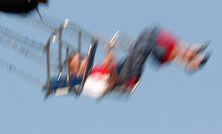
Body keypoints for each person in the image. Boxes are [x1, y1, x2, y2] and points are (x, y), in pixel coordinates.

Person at [76, 27, 209, 97]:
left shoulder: (93, 70)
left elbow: (109, 64)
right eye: (81, 60)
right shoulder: (87, 82)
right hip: (125, 76)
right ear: (76, 69)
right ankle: (187, 56)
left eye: (82, 57)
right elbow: (107, 85)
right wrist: (112, 74)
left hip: (124, 67)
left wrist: (110, 49)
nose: (85, 58)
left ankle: (187, 54)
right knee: (146, 44)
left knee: (150, 33)